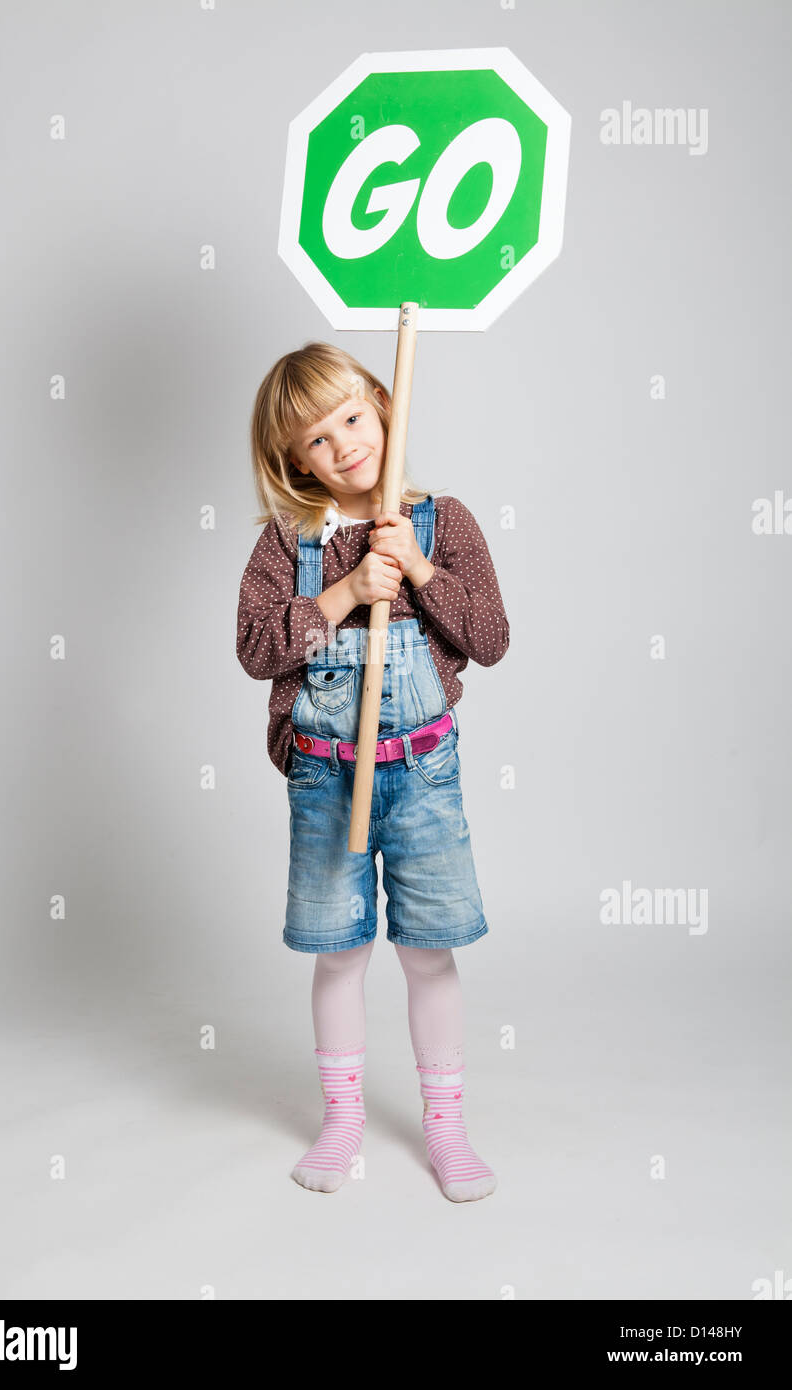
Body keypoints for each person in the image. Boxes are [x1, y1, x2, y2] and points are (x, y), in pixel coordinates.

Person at [236, 341, 510, 1201]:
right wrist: (350, 590)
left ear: (386, 406)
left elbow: (491, 640)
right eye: (315, 440)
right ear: (293, 462)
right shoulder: (291, 542)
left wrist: (418, 570)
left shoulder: (443, 520)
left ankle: (446, 1127)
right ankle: (344, 1119)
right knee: (340, 954)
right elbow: (254, 650)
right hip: (326, 780)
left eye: (352, 418)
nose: (343, 445)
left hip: (421, 777)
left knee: (428, 954)